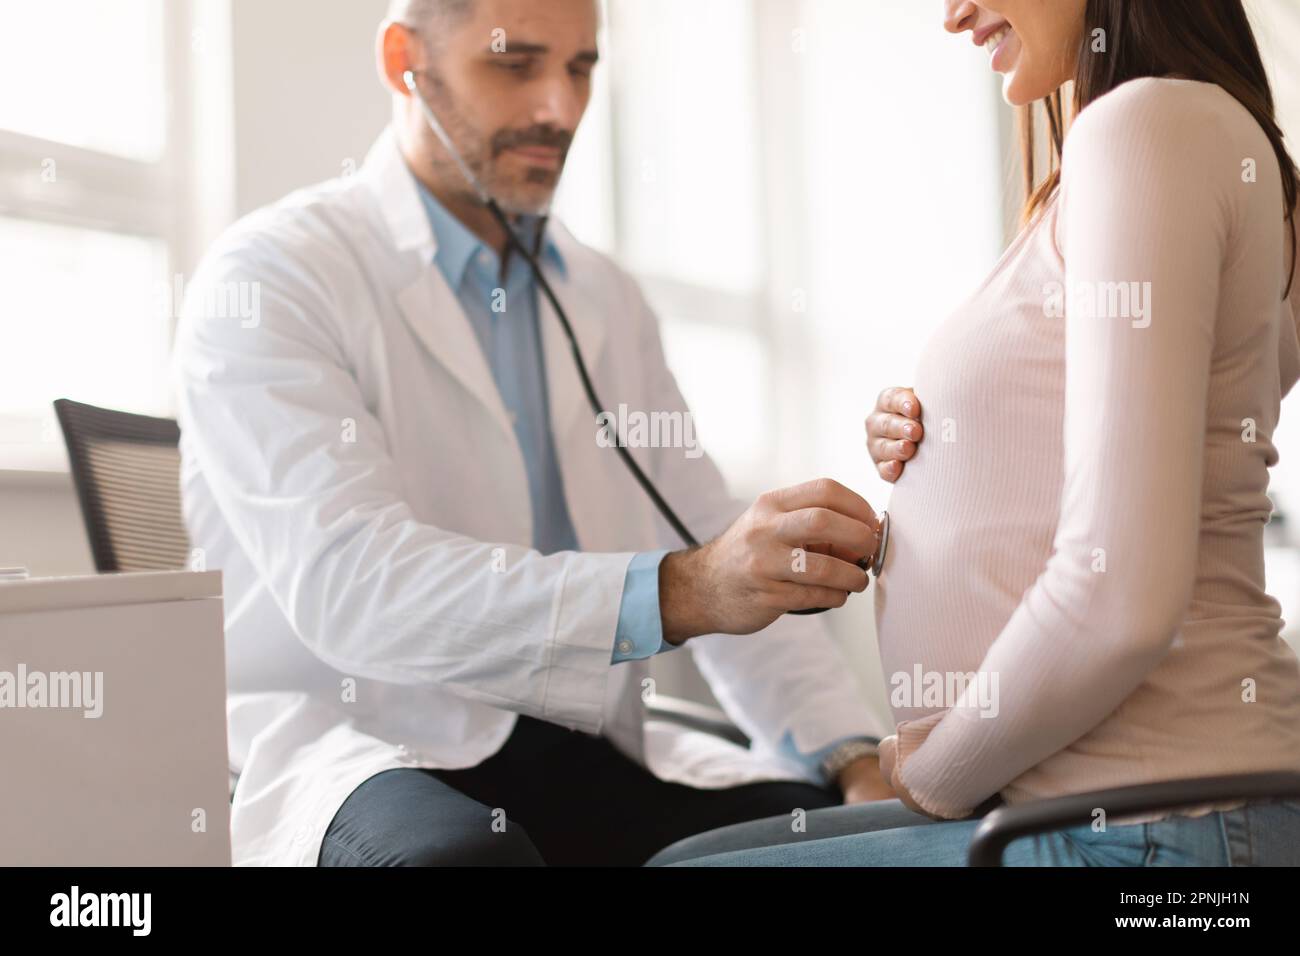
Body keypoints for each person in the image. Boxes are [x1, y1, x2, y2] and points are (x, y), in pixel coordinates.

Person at [172, 0, 893, 867]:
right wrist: (680, 592)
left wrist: (850, 756)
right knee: (462, 861)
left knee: (848, 841)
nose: (559, 107)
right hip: (361, 739)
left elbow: (711, 537)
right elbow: (351, 588)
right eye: (515, 65)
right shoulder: (274, 275)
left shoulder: (605, 297)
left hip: (570, 740)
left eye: (582, 68)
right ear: (407, 60)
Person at [649, 0, 1300, 867]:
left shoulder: (1150, 126)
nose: (953, 13)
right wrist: (953, 441)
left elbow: (1122, 598)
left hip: (1153, 826)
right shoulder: (1186, 139)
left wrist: (935, 774)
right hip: (1123, 807)